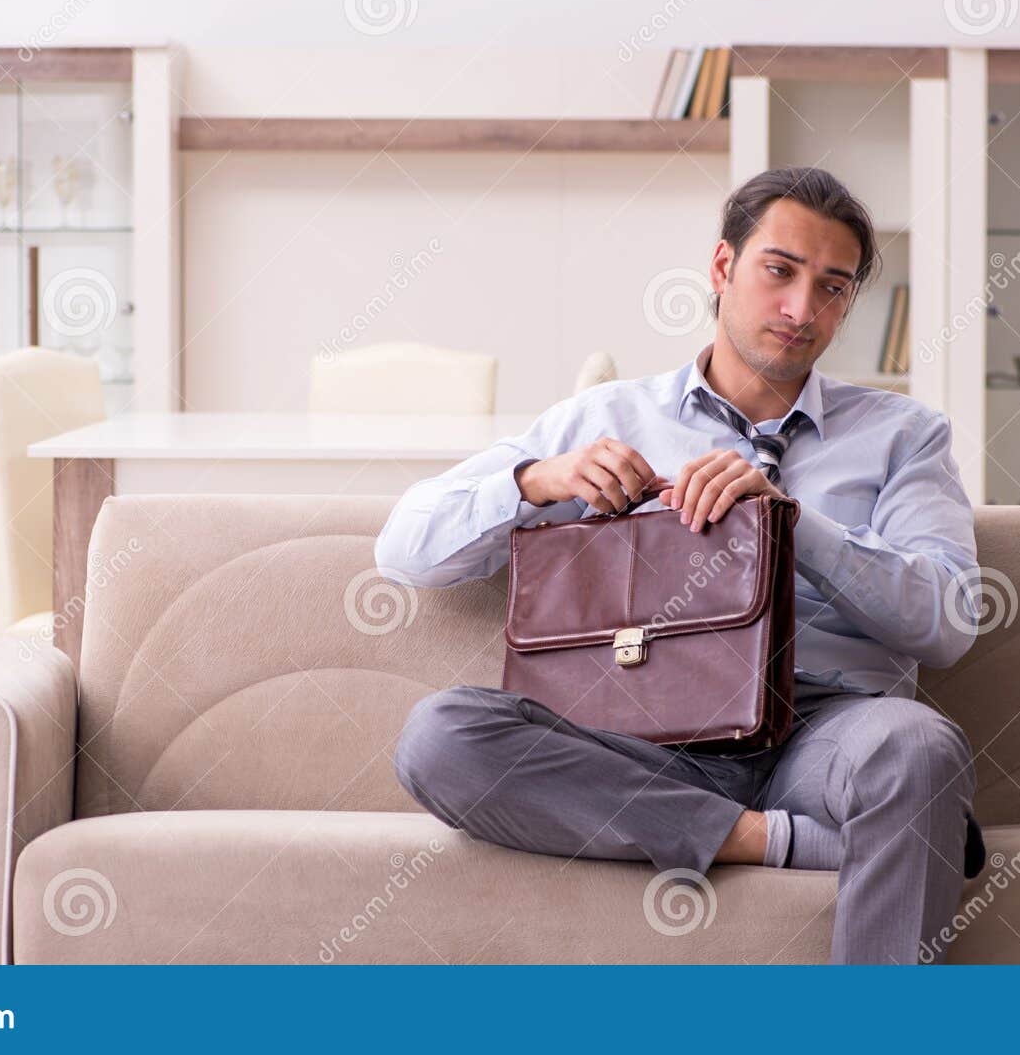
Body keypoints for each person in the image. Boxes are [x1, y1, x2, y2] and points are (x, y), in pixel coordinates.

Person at [374, 166, 986, 964]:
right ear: (724, 268)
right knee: (440, 736)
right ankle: (780, 843)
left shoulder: (907, 436)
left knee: (918, 748)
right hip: (643, 740)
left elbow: (946, 623)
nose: (803, 309)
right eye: (780, 271)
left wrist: (790, 523)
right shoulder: (604, 418)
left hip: (827, 736)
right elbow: (404, 548)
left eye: (833, 288)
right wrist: (534, 482)